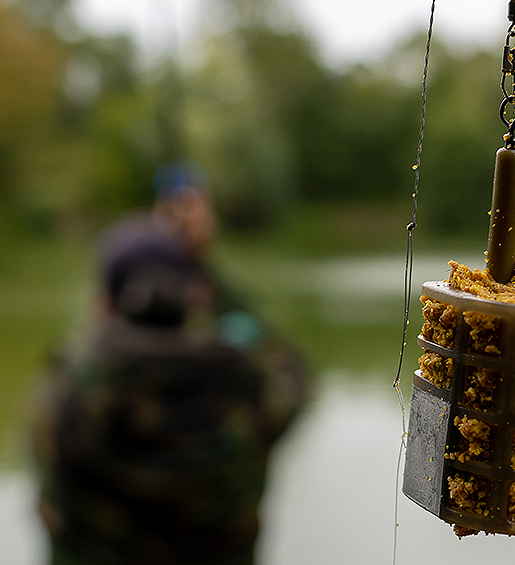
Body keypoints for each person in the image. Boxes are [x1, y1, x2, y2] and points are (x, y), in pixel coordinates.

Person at [30, 214, 308, 565]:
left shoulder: (66, 404)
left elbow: (79, 359)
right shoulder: (249, 396)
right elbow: (292, 370)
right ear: (196, 298)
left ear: (104, 303)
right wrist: (207, 269)